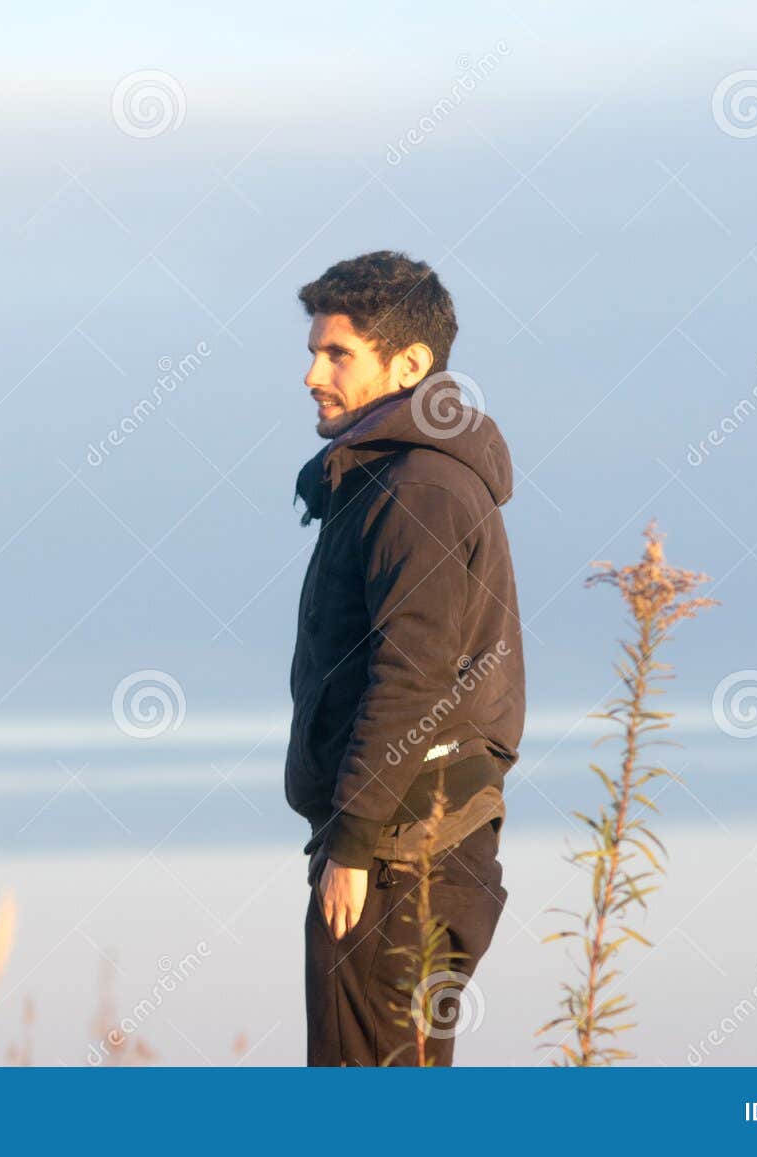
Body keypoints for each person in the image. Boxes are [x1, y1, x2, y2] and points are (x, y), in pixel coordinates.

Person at [284, 250, 526, 1066]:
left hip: (404, 852)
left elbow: (411, 673)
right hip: (398, 842)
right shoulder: (385, 479)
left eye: (337, 353)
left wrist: (354, 844)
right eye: (315, 350)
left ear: (412, 363)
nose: (313, 372)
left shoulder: (418, 486)